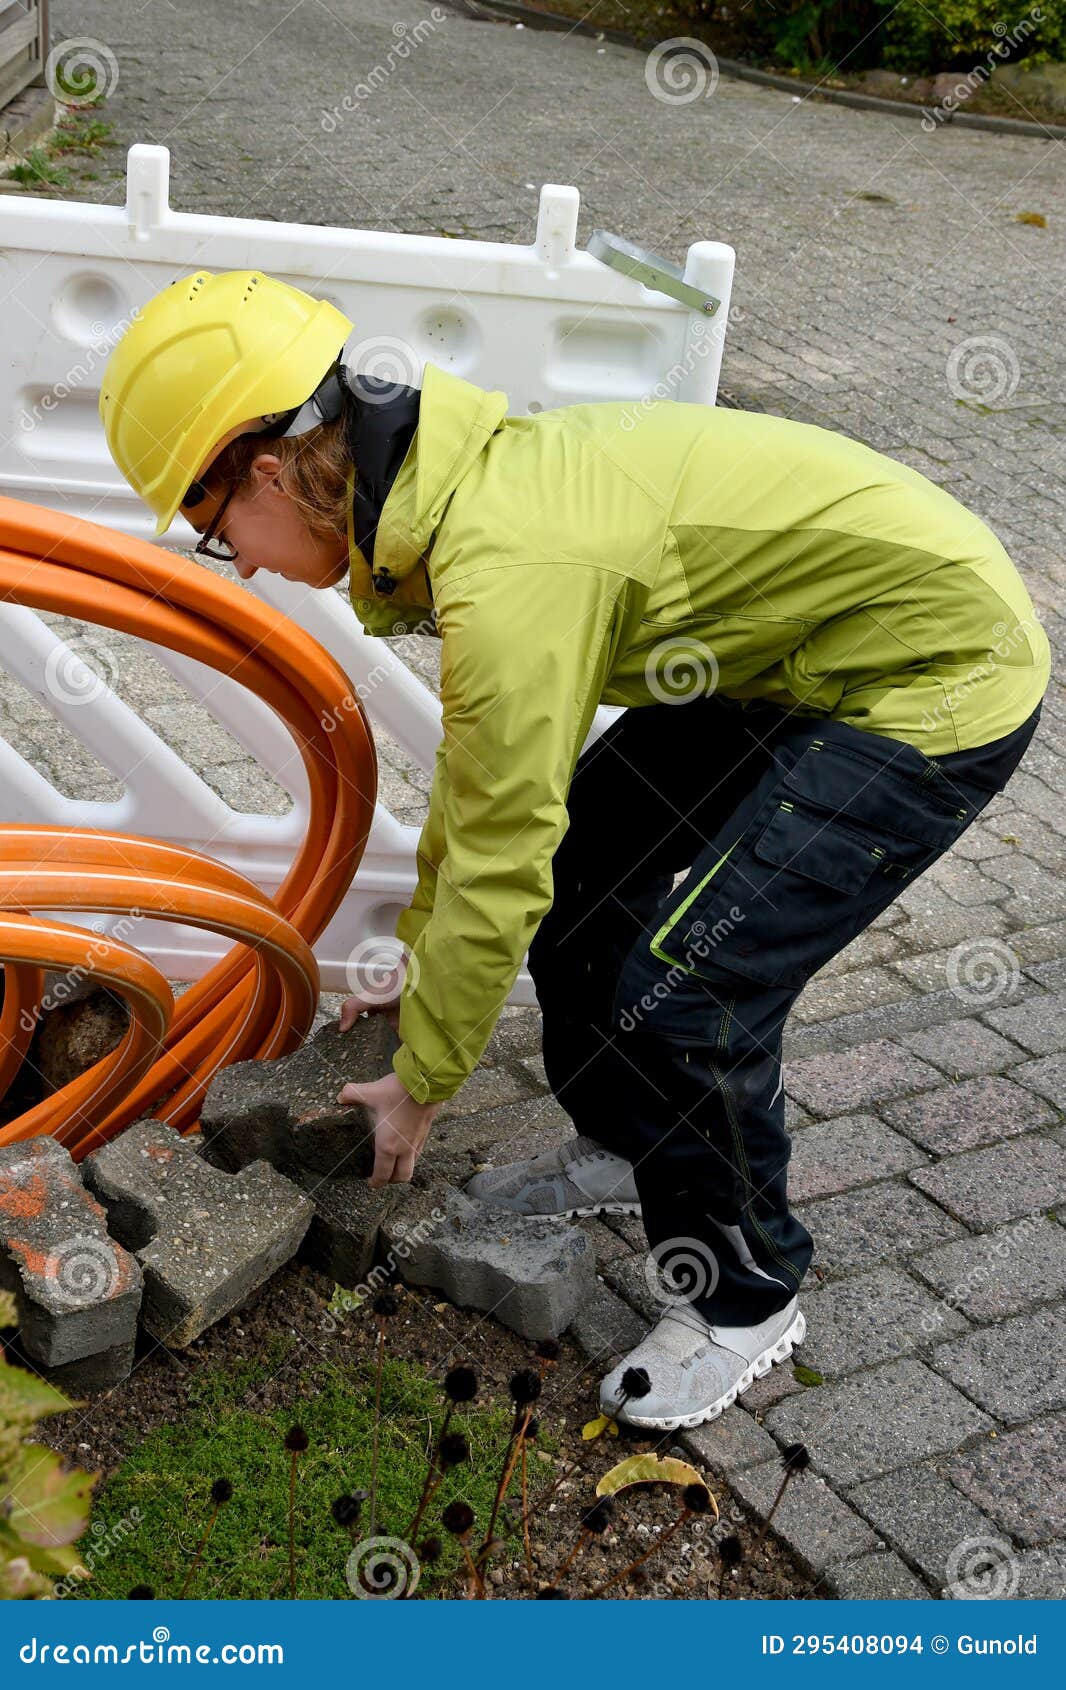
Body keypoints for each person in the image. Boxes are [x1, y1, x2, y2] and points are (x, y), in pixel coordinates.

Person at [101, 268, 1050, 1431]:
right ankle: (631, 1142)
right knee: (588, 881)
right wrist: (413, 965)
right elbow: (486, 794)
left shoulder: (507, 565)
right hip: (795, 649)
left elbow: (499, 855)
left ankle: (747, 1297)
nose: (236, 563)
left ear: (264, 469)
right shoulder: (461, 500)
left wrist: (424, 1082)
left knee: (692, 986)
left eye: (213, 533)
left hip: (933, 671)